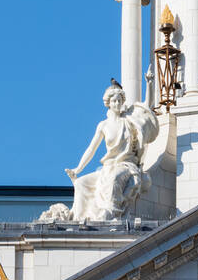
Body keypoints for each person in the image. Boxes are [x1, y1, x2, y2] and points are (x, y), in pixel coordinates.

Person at [63, 79, 159, 221]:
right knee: (81, 183)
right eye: (114, 101)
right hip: (108, 167)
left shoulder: (129, 121)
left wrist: (150, 84)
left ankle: (110, 213)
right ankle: (79, 221)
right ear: (108, 103)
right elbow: (91, 149)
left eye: (119, 100)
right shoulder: (103, 125)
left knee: (114, 179)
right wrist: (78, 169)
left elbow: (147, 106)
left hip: (126, 165)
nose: (117, 103)